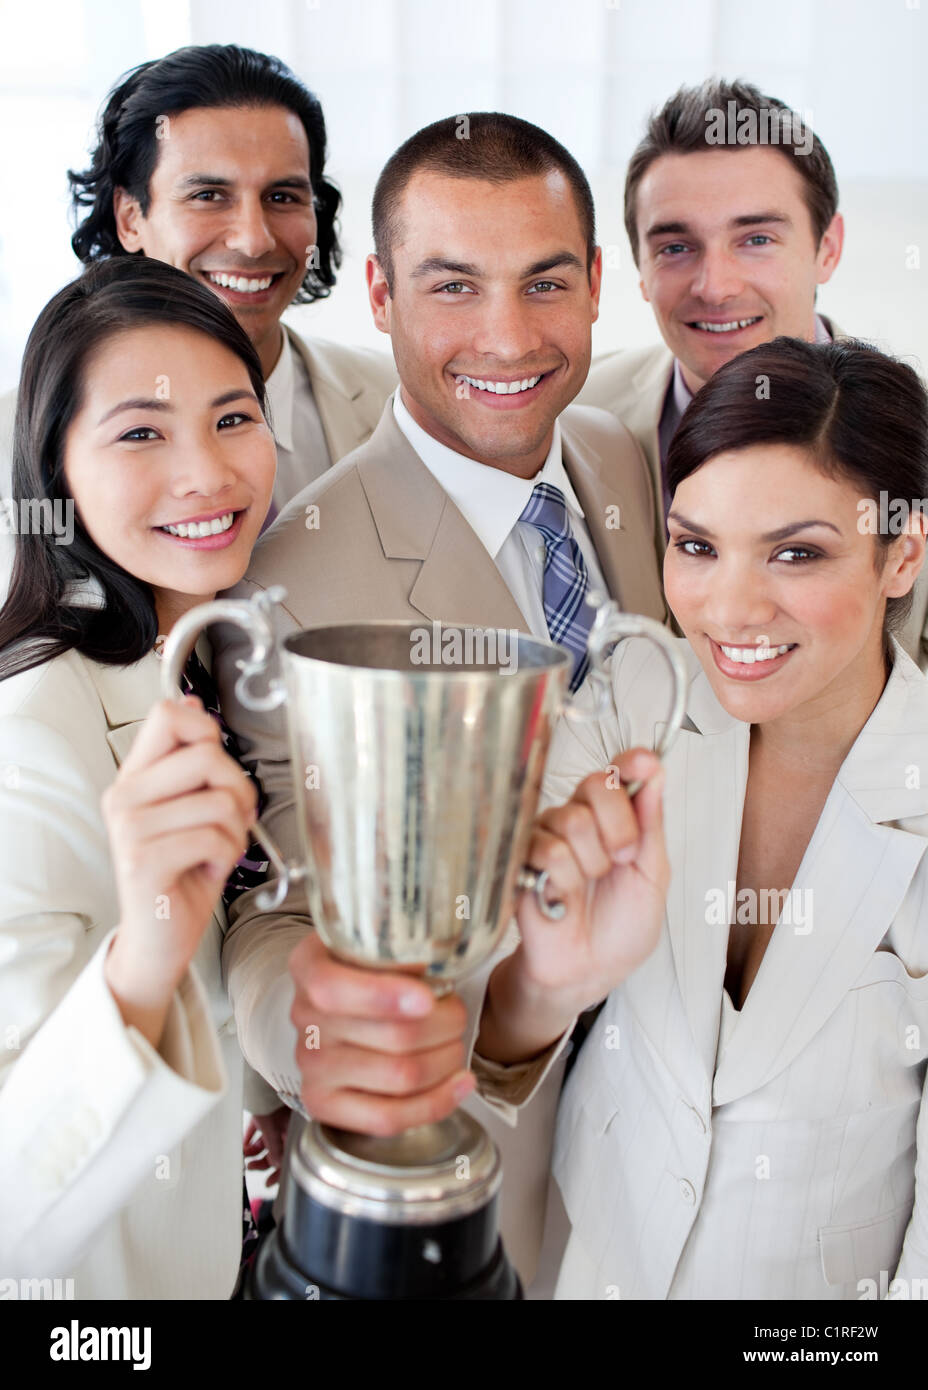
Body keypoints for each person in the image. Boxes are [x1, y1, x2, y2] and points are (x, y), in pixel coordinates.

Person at [212, 111, 666, 1283]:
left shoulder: (620, 457)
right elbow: (269, 910)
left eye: (544, 282)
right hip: (479, 1152)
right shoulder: (288, 576)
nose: (507, 336)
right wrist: (303, 1030)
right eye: (452, 286)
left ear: (596, 286)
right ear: (376, 292)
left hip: (671, 1152)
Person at [473, 337, 928, 1298]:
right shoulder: (636, 701)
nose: (728, 610)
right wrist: (546, 985)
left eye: (797, 553)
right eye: (696, 547)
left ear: (904, 553)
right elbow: (497, 1018)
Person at [0, 256, 278, 1297]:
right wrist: (146, 955)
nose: (208, 474)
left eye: (233, 417)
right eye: (141, 433)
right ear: (55, 469)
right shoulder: (28, 735)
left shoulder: (205, 660)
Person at [579, 78, 927, 668]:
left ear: (827, 247)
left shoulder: (915, 433)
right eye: (675, 247)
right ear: (637, 265)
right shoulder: (573, 419)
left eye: (756, 239)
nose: (715, 286)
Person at [0, 44, 397, 539]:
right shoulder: (11, 434)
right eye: (208, 196)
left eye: (282, 197)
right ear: (130, 218)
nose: (254, 240)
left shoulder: (399, 403)